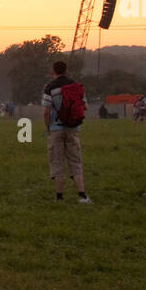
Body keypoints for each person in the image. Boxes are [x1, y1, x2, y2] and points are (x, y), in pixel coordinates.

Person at [42, 61, 91, 203]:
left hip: (55, 129)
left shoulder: (50, 88)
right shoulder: (75, 86)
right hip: (73, 128)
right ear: (66, 70)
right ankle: (82, 195)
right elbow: (85, 106)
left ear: (53, 71)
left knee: (57, 162)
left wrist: (48, 128)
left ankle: (59, 197)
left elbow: (46, 111)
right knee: (75, 161)